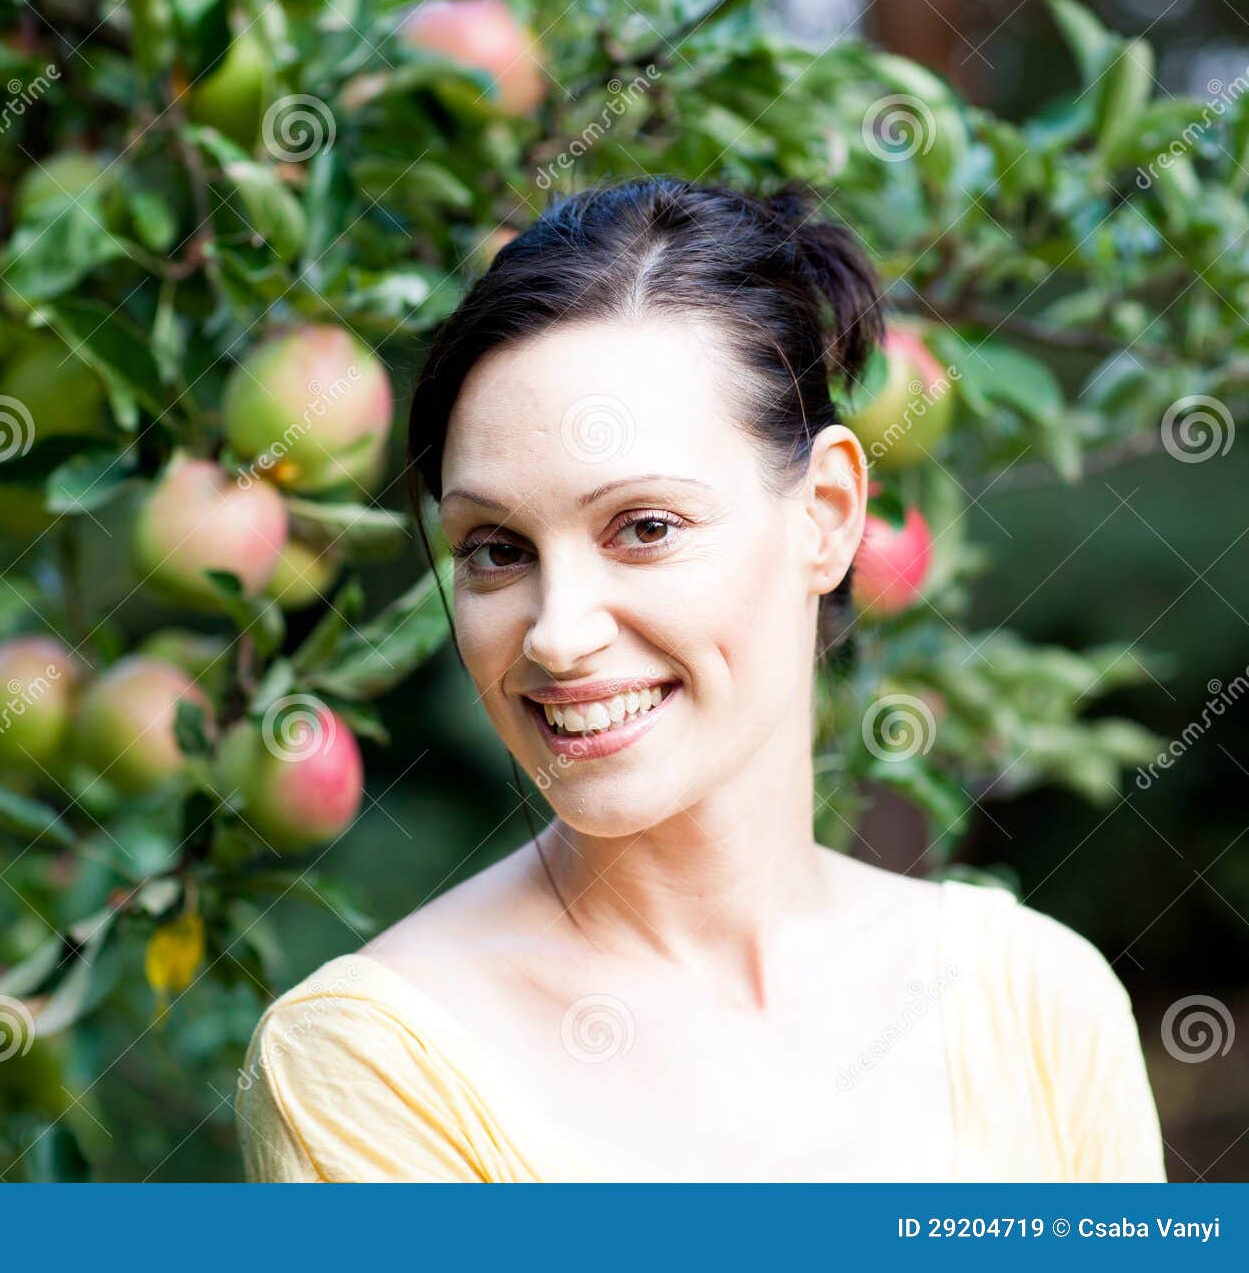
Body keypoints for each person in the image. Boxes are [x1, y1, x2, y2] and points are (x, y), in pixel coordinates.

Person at [234, 176, 1167, 1182]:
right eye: (497, 547)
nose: (556, 634)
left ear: (827, 513)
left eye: (643, 527)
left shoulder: (1031, 999)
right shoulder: (374, 1063)